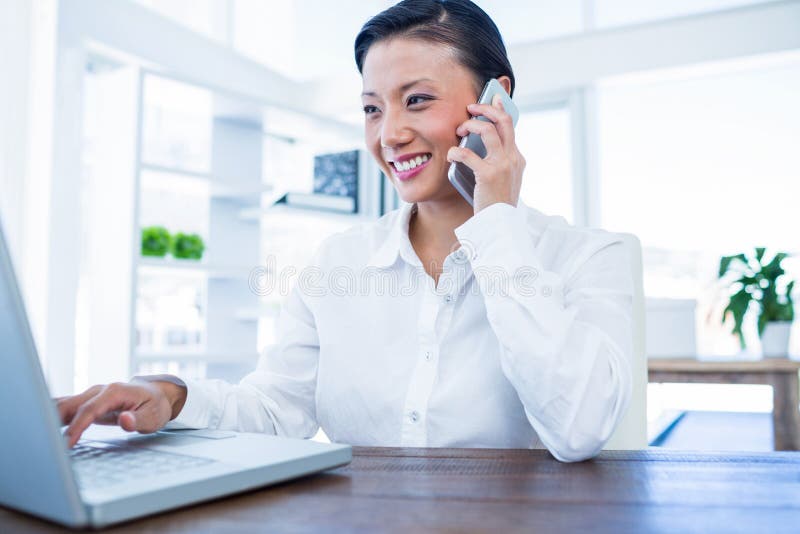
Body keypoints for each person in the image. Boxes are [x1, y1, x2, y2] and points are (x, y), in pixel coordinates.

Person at [57, 0, 633, 462]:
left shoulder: (586, 258)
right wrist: (173, 397)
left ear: (496, 102)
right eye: (371, 109)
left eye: (417, 100)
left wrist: (496, 224)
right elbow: (276, 409)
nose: (390, 134)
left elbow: (578, 430)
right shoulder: (338, 261)